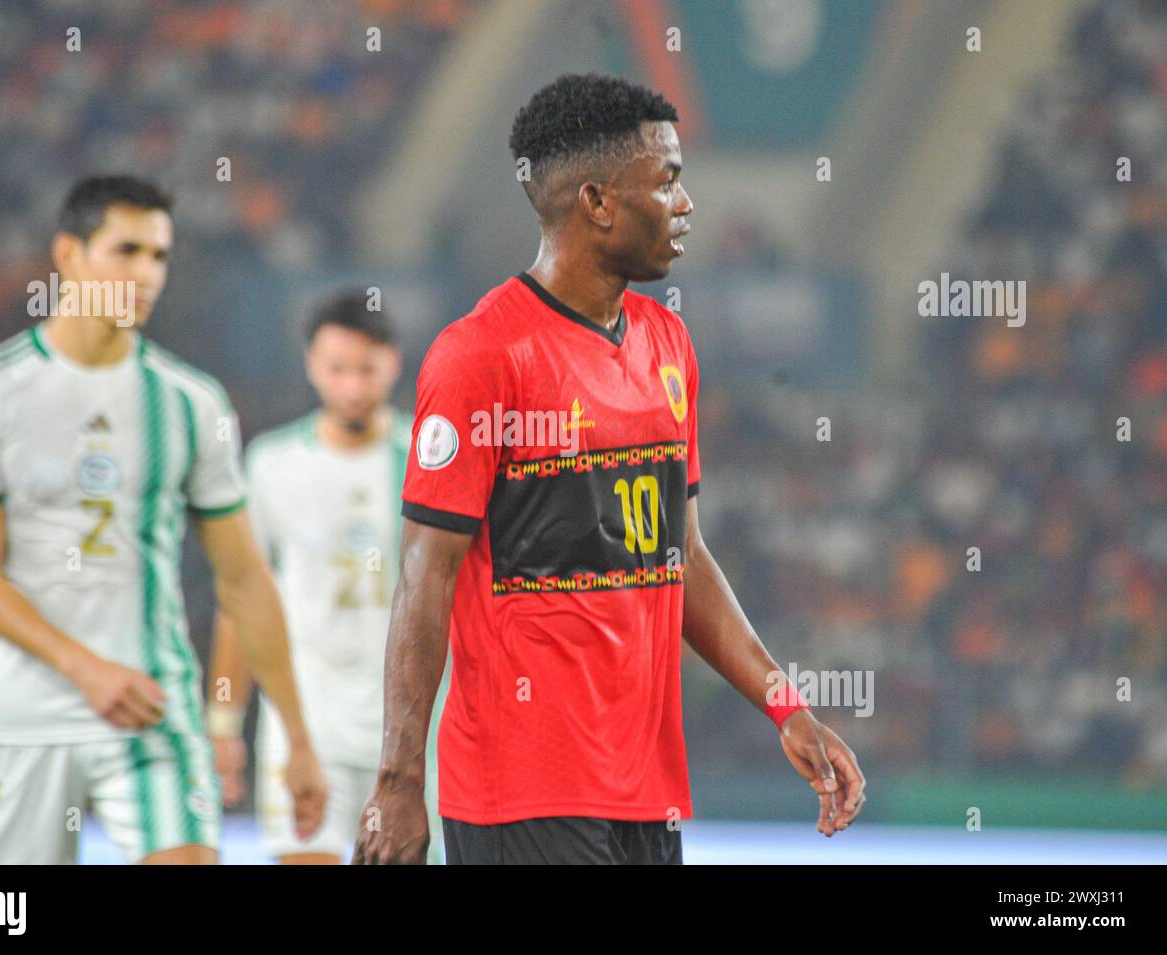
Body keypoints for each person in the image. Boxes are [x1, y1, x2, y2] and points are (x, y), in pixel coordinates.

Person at [353, 73, 866, 865]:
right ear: (596, 201)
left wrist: (786, 705)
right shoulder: (481, 357)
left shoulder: (668, 344)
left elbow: (683, 556)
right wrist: (396, 781)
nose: (687, 203)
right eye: (666, 181)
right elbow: (426, 577)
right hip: (520, 789)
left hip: (642, 785)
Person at [0, 174, 327, 864]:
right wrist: (85, 668)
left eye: (158, 256)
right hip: (22, 717)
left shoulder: (191, 402)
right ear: (69, 254)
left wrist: (296, 736)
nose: (145, 273)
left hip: (154, 708)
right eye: (126, 250)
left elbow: (244, 579)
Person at [207, 290, 447, 864]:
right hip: (307, 731)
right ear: (312, 365)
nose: (352, 385)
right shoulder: (272, 464)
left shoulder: (428, 456)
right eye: (337, 368)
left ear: (393, 362)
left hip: (418, 739)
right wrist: (223, 724)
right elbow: (242, 600)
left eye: (366, 368)